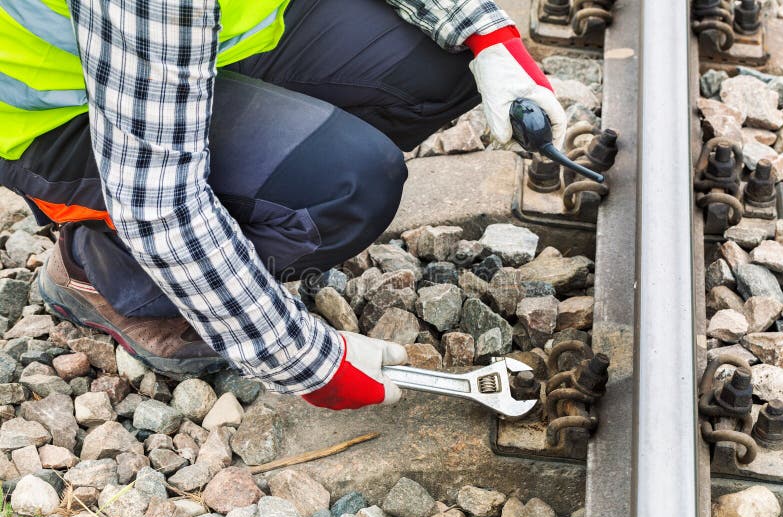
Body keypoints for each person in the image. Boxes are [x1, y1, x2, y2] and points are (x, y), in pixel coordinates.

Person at [0, 0, 565, 410]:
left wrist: (485, 35)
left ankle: (262, 185)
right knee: (350, 184)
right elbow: (159, 203)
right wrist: (306, 362)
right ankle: (107, 270)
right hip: (70, 113)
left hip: (211, 36)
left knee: (442, 58)